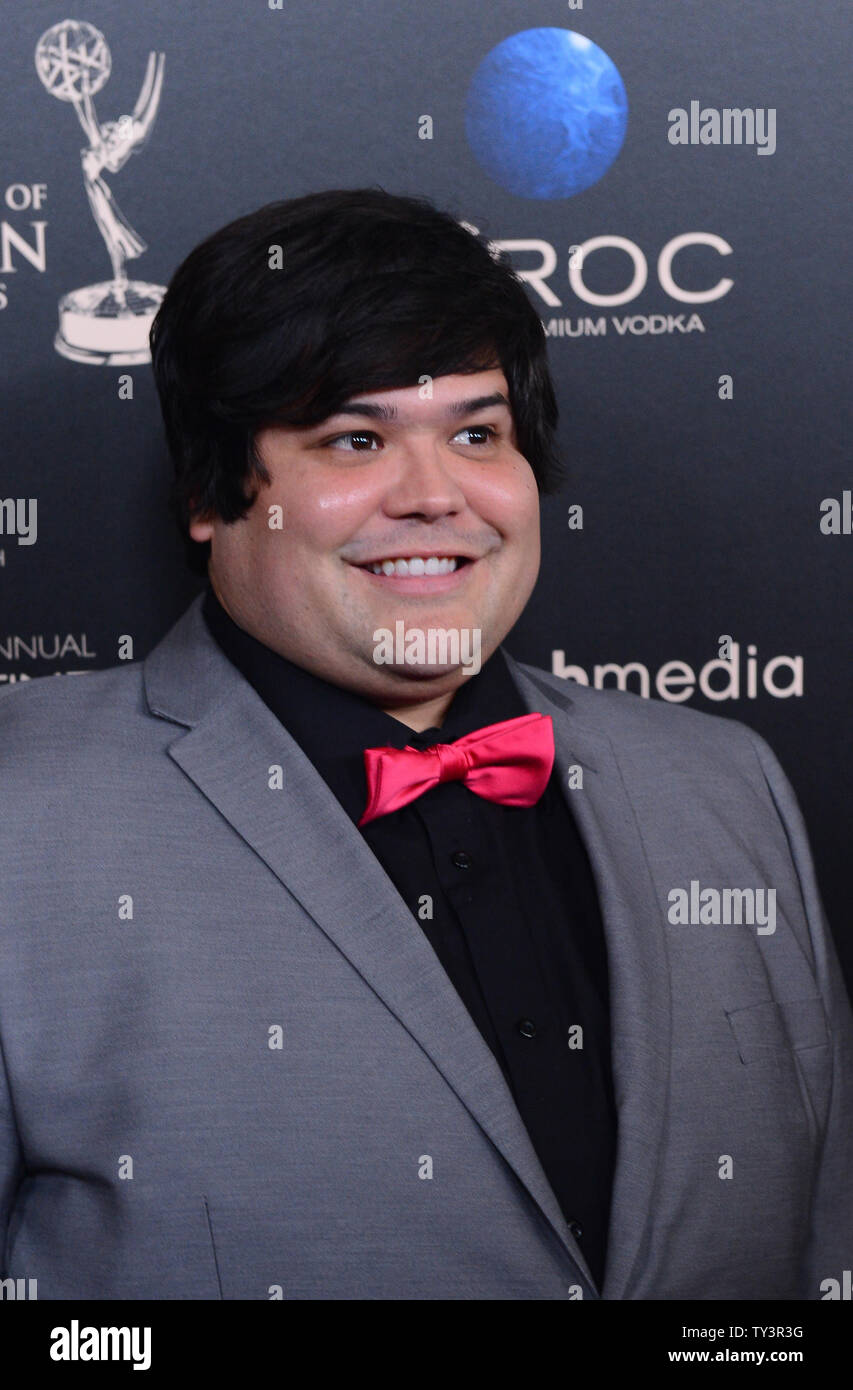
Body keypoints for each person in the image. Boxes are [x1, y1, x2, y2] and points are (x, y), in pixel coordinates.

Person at [1, 188, 850, 1300]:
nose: (435, 495)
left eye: (476, 434)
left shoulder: (724, 785)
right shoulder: (25, 810)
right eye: (355, 438)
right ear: (211, 492)